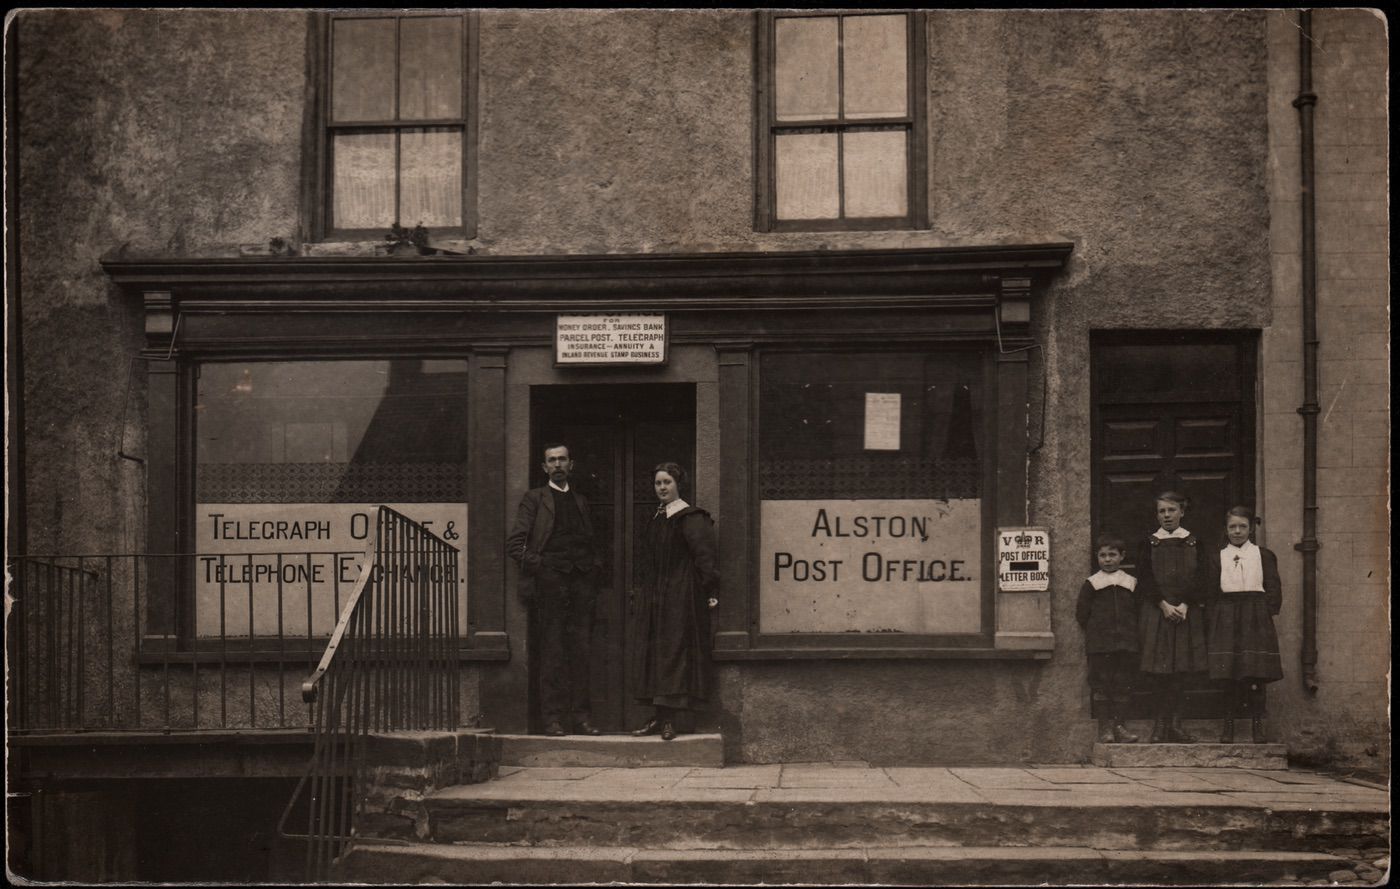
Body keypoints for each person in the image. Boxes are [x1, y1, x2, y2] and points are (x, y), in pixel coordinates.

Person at [506, 443, 604, 737]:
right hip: (551, 586)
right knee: (553, 653)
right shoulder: (534, 499)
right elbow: (515, 545)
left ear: (571, 465)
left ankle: (581, 718)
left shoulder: (581, 501)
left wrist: (593, 569)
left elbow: (593, 543)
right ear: (544, 467)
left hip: (581, 585)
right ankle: (552, 719)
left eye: (562, 459)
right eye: (552, 460)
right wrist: (544, 569)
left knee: (581, 652)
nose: (558, 465)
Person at [630, 462, 719, 741]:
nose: (662, 488)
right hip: (657, 597)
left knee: (673, 655)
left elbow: (705, 557)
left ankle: (671, 721)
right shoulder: (658, 517)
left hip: (681, 597)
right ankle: (659, 717)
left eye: (667, 482)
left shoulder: (690, 517)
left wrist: (709, 590)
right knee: (655, 654)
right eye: (658, 483)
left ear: (679, 484)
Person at [1205, 506, 1283, 743]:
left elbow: (1274, 588)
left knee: (1256, 674)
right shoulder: (1216, 555)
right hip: (1226, 614)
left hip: (1255, 615)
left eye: (1242, 527)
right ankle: (1227, 726)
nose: (1237, 531)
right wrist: (1216, 617)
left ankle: (1257, 726)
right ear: (1226, 529)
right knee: (1227, 674)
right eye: (1232, 527)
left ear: (1251, 528)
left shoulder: (1264, 555)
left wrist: (1263, 614)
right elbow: (1210, 591)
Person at [1137, 490, 1210, 743]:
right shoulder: (1149, 542)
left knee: (1182, 670)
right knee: (1159, 671)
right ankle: (1160, 725)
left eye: (1171, 510)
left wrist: (1186, 604)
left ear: (1182, 511)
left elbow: (1203, 576)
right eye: (1161, 511)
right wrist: (1164, 605)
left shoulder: (1194, 542)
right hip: (1159, 613)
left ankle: (1177, 724)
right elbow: (1144, 578)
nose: (1166, 516)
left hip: (1187, 614)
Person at [1075, 534, 1141, 744]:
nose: (1107, 559)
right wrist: (1098, 632)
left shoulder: (1130, 583)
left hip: (1126, 645)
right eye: (1102, 555)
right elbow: (1082, 614)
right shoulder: (1092, 583)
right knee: (1101, 686)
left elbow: (1138, 611)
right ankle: (1105, 729)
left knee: (1123, 685)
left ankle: (1119, 726)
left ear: (1122, 556)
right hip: (1100, 646)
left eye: (1112, 555)